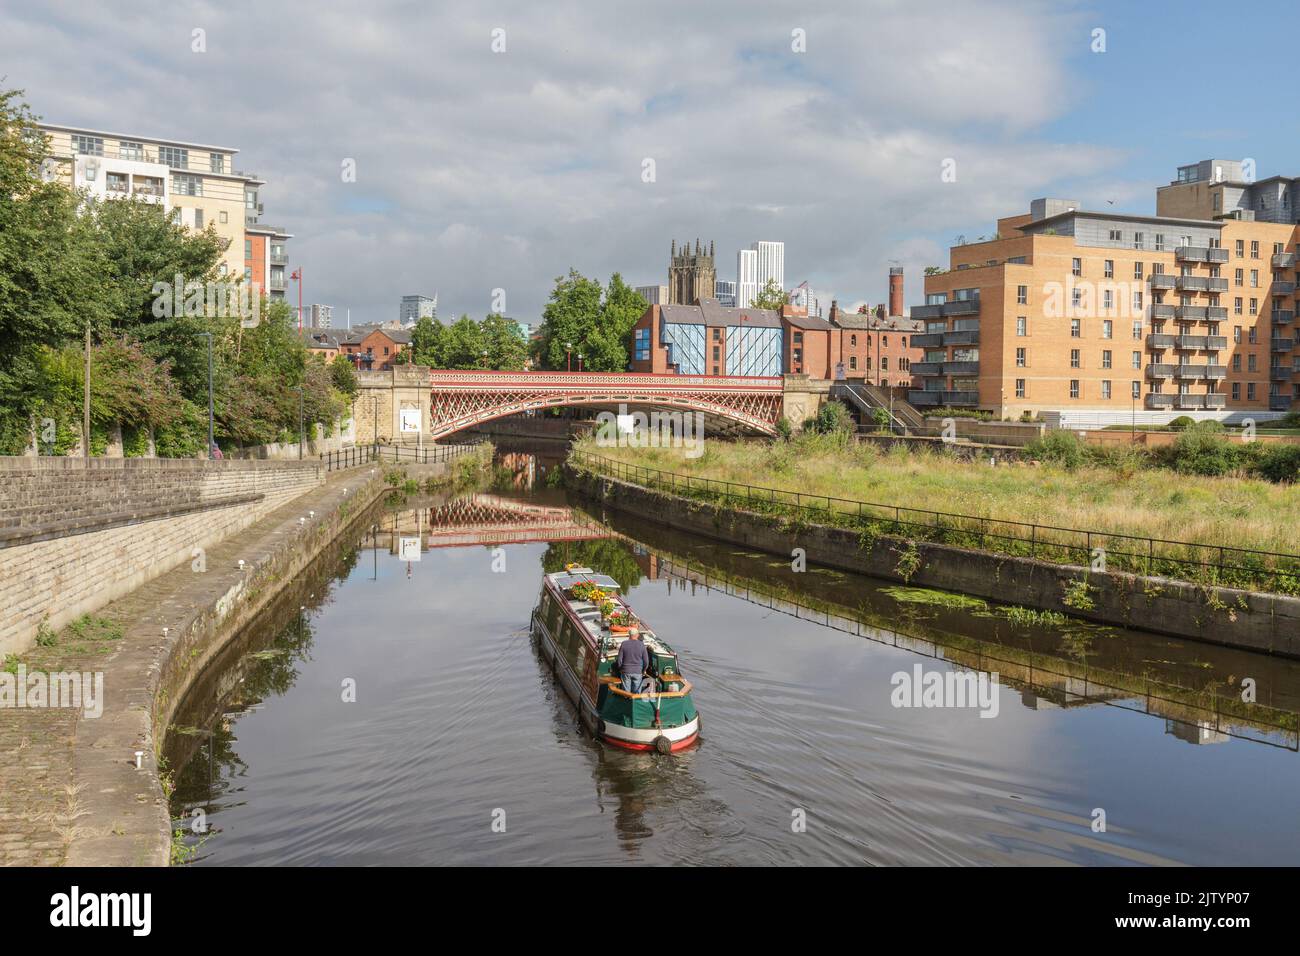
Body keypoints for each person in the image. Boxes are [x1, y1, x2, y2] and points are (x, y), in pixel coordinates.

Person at [616, 629, 650, 695]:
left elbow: (619, 660)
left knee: (626, 693)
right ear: (637, 635)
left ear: (629, 635)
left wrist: (621, 669)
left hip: (626, 671)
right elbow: (646, 661)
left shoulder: (624, 644)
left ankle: (626, 702)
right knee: (637, 693)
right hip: (638, 672)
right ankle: (635, 703)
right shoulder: (642, 645)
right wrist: (643, 670)